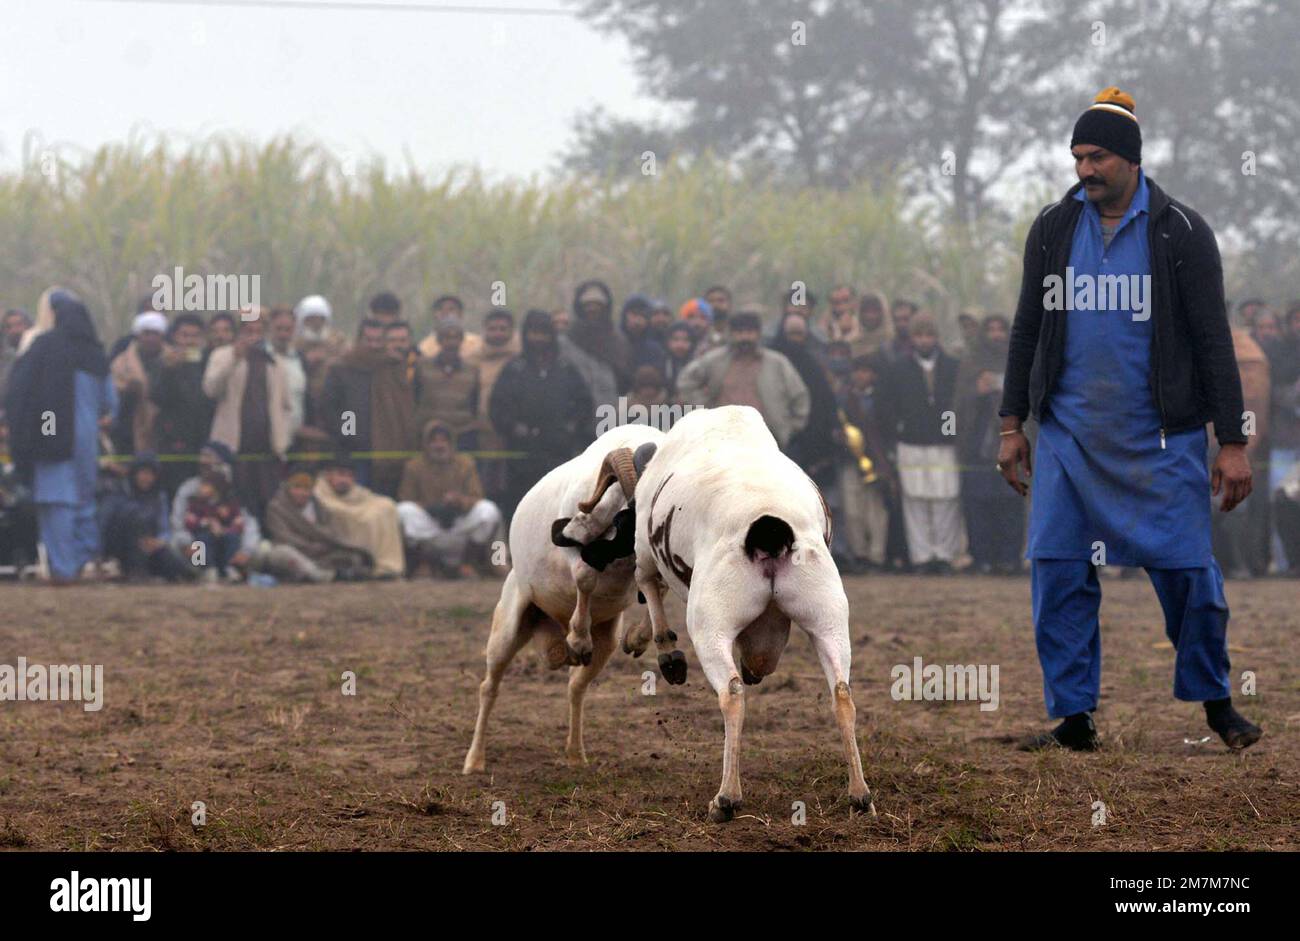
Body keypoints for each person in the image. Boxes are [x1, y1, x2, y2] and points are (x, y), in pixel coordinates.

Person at [997, 87, 1259, 752]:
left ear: (1132, 160)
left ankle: (1217, 703)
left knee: (1189, 575)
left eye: (1098, 157)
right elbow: (1027, 327)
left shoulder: (1182, 233)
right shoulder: (1053, 229)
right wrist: (1011, 425)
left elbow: (1211, 341)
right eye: (1078, 156)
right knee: (1057, 570)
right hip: (1067, 439)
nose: (1085, 169)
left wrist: (1232, 440)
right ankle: (1075, 717)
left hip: (1160, 439)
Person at [3, 289, 116, 583]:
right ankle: (85, 561)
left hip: (50, 436)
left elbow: (18, 393)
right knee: (84, 500)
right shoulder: (95, 353)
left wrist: (32, 432)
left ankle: (64, 568)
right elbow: (110, 405)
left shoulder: (43, 346)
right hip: (87, 440)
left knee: (56, 502)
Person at [489, 309, 594, 521]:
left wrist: (570, 428)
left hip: (559, 454)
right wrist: (516, 429)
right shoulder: (514, 369)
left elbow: (585, 405)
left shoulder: (566, 369)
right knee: (522, 511)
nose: (538, 339)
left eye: (543, 334)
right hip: (522, 456)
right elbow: (497, 408)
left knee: (558, 510)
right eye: (533, 333)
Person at [878, 313, 962, 573]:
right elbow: (886, 406)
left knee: (946, 498)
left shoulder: (953, 366)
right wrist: (900, 429)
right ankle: (923, 557)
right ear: (912, 338)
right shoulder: (897, 368)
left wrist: (953, 431)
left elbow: (960, 403)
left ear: (937, 337)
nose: (924, 340)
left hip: (944, 444)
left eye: (929, 335)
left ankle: (944, 556)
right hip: (910, 444)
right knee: (915, 500)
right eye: (919, 335)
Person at [202, 309, 293, 525]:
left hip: (267, 449)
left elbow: (286, 405)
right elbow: (211, 389)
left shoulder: (275, 362)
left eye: (258, 330)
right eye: (248, 330)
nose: (253, 335)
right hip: (233, 446)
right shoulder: (222, 355)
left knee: (268, 504)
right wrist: (235, 357)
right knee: (236, 504)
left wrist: (283, 439)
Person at [676, 311, 809, 450]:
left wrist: (789, 427)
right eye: (740, 332)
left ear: (758, 334)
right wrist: (705, 408)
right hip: (723, 437)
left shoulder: (776, 362)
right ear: (731, 334)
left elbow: (799, 395)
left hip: (766, 438)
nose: (745, 337)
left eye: (750, 332)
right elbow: (686, 381)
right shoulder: (716, 360)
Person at [955, 315, 1022, 574]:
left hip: (1011, 441)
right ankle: (981, 557)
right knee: (978, 503)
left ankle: (1009, 558)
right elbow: (958, 403)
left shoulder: (1019, 359)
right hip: (978, 444)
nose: (996, 334)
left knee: (1010, 501)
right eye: (991, 329)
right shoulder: (971, 362)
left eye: (1000, 329)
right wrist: (977, 391)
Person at [397, 422, 503, 577]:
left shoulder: (466, 463)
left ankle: (467, 564)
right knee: (403, 511)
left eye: (443, 440)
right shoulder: (414, 466)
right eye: (434, 441)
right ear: (426, 444)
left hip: (460, 526)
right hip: (430, 528)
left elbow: (477, 496)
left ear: (451, 443)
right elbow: (405, 498)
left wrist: (458, 500)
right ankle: (424, 565)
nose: (439, 445)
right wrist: (431, 508)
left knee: (488, 510)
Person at [99, 452, 192, 581]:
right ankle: (136, 571)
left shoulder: (159, 497)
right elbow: (104, 523)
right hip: (121, 547)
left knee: (175, 565)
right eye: (143, 473)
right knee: (136, 517)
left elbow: (164, 527)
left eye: (150, 474)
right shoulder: (117, 492)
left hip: (150, 546)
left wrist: (159, 541)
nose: (146, 478)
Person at [264, 471, 373, 582]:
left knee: (353, 557)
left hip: (322, 553)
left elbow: (331, 532)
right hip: (297, 551)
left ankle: (345, 572)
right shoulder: (276, 508)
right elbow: (283, 536)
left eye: (306, 489)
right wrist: (311, 546)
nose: (302, 493)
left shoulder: (319, 507)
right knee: (282, 553)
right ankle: (325, 576)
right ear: (288, 488)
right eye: (297, 487)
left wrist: (323, 545)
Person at [151, 313, 214, 495]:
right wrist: (169, 371)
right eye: (184, 335)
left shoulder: (208, 361)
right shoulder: (163, 363)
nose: (189, 341)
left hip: (203, 440)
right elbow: (157, 397)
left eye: (194, 336)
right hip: (173, 443)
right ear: (175, 337)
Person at [312, 457, 405, 578]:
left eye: (349, 476)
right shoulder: (318, 493)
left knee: (387, 505)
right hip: (333, 546)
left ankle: (386, 566)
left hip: (360, 515)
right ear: (328, 475)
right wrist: (362, 515)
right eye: (340, 474)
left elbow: (368, 498)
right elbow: (335, 510)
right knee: (370, 517)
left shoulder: (356, 492)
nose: (344, 480)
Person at [109, 308, 169, 456]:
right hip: (129, 432)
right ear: (138, 335)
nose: (151, 339)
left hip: (164, 432)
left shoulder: (172, 361)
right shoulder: (121, 363)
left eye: (155, 334)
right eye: (146, 333)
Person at [415, 318, 479, 452]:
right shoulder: (422, 366)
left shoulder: (472, 370)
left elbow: (474, 403)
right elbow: (415, 398)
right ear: (439, 340)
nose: (451, 342)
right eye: (446, 337)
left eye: (456, 337)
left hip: (463, 435)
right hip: (430, 435)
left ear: (461, 340)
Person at [183, 469, 246, 582]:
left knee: (232, 538)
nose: (201, 488)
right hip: (202, 536)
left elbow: (239, 523)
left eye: (205, 485)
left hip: (223, 536)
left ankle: (230, 568)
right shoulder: (195, 503)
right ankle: (206, 569)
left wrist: (225, 529)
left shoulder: (230, 504)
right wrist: (207, 524)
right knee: (201, 540)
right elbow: (189, 522)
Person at [0, 308, 32, 405]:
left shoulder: (35, 353)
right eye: (9, 326)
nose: (14, 330)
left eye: (19, 324)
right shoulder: (4, 355)